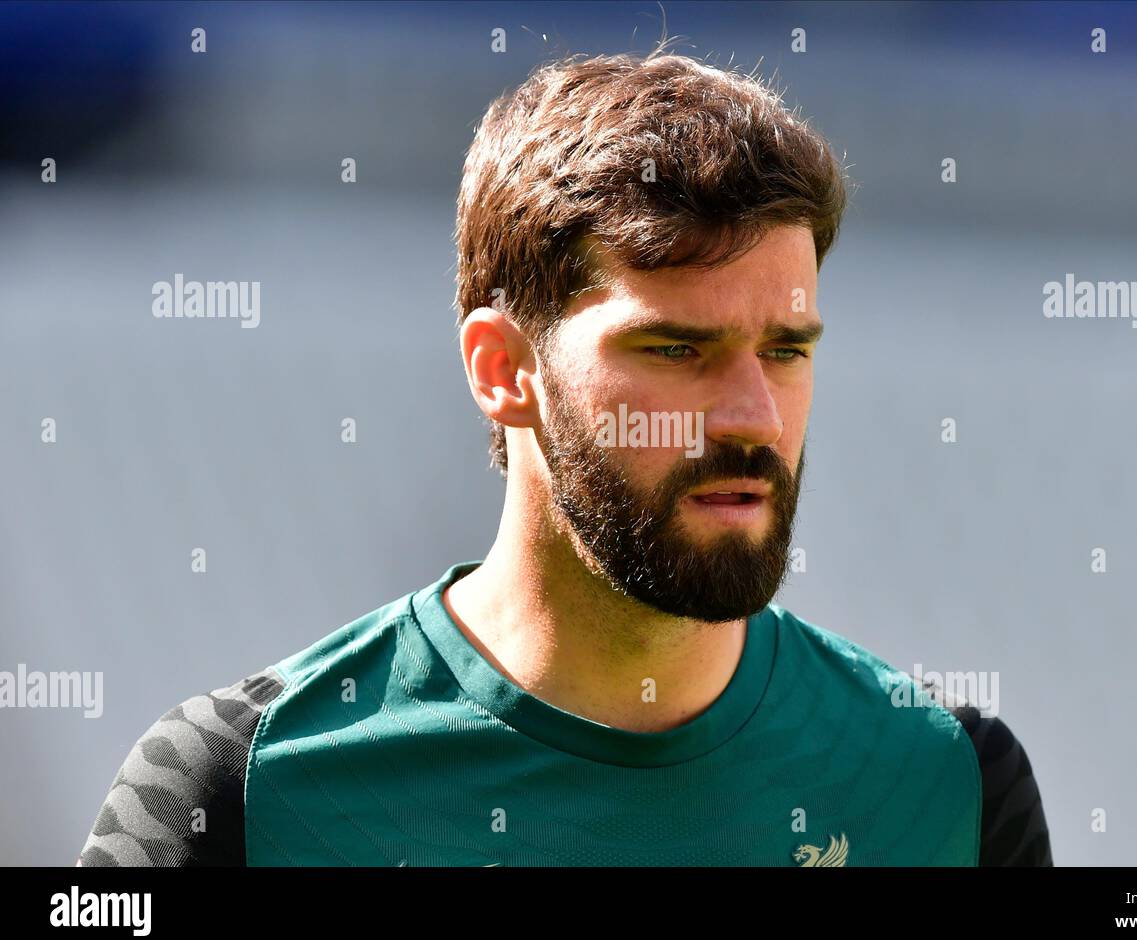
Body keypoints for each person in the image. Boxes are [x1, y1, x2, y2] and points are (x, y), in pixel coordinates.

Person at [78, 49, 1051, 867]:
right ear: (504, 368)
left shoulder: (946, 781)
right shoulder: (238, 785)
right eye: (678, 348)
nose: (753, 415)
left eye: (786, 349)